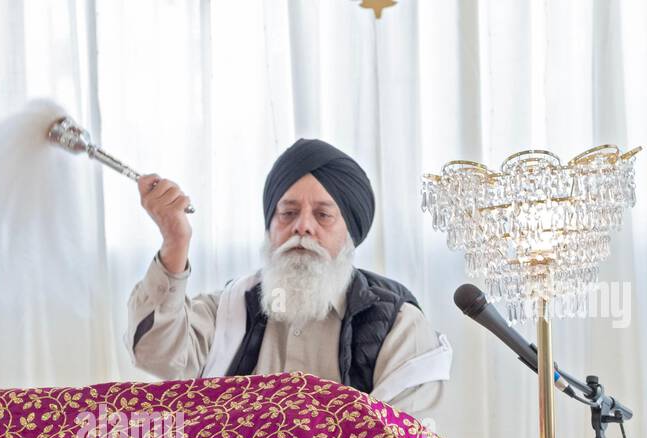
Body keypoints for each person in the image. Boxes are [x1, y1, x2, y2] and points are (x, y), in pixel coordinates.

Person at [125, 138, 450, 418]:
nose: (302, 227)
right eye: (288, 213)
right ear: (271, 227)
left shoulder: (397, 325)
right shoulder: (230, 310)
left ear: (350, 233)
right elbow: (155, 353)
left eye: (323, 215)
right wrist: (175, 243)